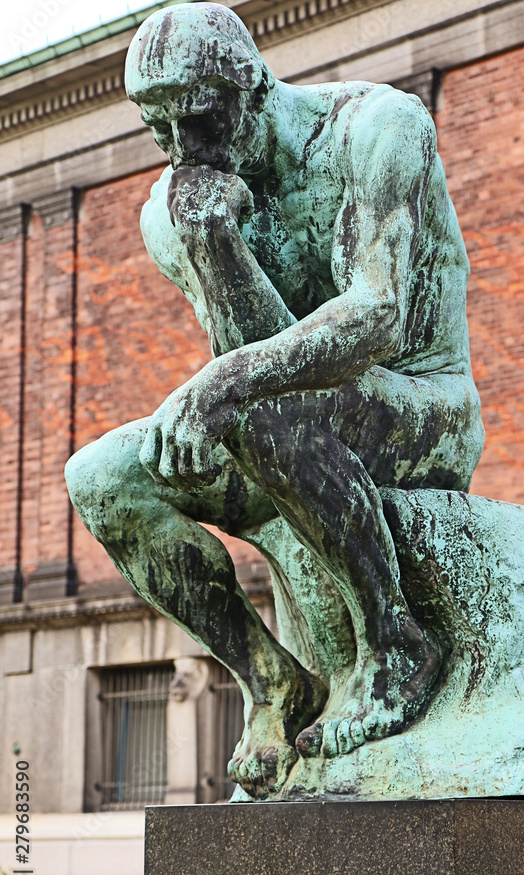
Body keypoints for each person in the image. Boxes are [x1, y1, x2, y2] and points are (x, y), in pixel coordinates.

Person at [65, 3, 485, 798]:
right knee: (101, 477)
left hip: (421, 408)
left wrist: (224, 384)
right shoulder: (174, 210)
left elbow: (376, 312)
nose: (186, 151)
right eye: (161, 134)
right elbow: (247, 344)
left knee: (251, 398)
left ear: (250, 82)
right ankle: (271, 681)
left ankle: (395, 647)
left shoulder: (375, 127)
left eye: (198, 120)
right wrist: (214, 241)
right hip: (296, 424)